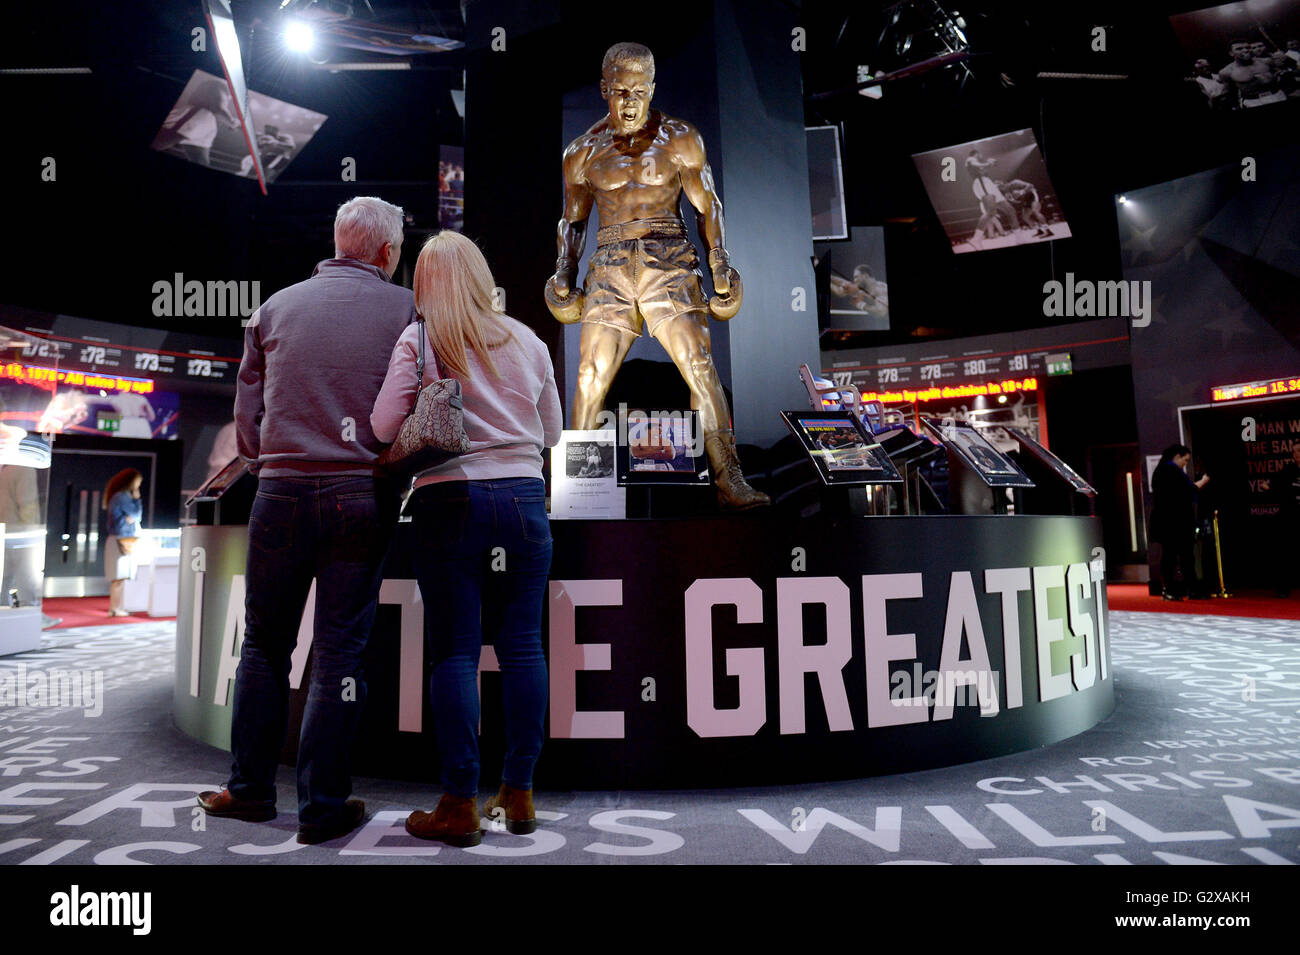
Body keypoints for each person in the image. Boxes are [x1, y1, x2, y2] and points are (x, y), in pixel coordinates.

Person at [197, 196, 415, 844]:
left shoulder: (274, 306)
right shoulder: (407, 310)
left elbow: (247, 413)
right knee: (340, 650)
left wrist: (268, 463)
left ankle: (249, 789)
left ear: (338, 241)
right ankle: (323, 804)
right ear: (386, 252)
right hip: (360, 492)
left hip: (280, 491)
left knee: (263, 644)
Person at [371, 230, 562, 847]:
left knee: (456, 653)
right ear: (482, 277)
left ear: (424, 284)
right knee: (524, 647)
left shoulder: (420, 339)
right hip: (525, 501)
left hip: (448, 501)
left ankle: (459, 803)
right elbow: (554, 434)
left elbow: (380, 426)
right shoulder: (529, 340)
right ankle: (520, 790)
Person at [545, 42, 768, 510]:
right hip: (608, 266)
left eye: (640, 92)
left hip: (668, 258)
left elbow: (709, 205)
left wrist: (720, 264)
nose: (630, 103)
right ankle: (574, 492)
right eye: (621, 92)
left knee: (700, 368)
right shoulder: (582, 152)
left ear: (652, 89)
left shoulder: (681, 138)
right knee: (590, 376)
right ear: (605, 89)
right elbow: (574, 219)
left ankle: (730, 478)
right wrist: (565, 270)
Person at [1149, 444, 1209, 600]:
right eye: (1185, 460)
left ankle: (1171, 589)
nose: (1185, 464)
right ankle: (1185, 589)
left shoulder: (1160, 471)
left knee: (1171, 555)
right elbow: (1188, 491)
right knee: (1183, 556)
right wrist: (1203, 481)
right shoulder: (1172, 472)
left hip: (1167, 522)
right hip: (1177, 522)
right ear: (1177, 456)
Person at [102, 468, 143, 617]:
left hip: (119, 539)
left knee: (119, 576)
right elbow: (136, 515)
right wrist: (137, 500)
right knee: (119, 576)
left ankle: (116, 608)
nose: (138, 485)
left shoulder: (117, 496)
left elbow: (133, 517)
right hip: (122, 539)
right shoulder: (122, 497)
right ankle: (114, 608)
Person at [1266, 441, 1300, 596]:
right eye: (1294, 452)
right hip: (1290, 518)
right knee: (1286, 554)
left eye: (1299, 451)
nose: (1296, 454)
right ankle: (1283, 588)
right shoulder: (1288, 470)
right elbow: (1269, 486)